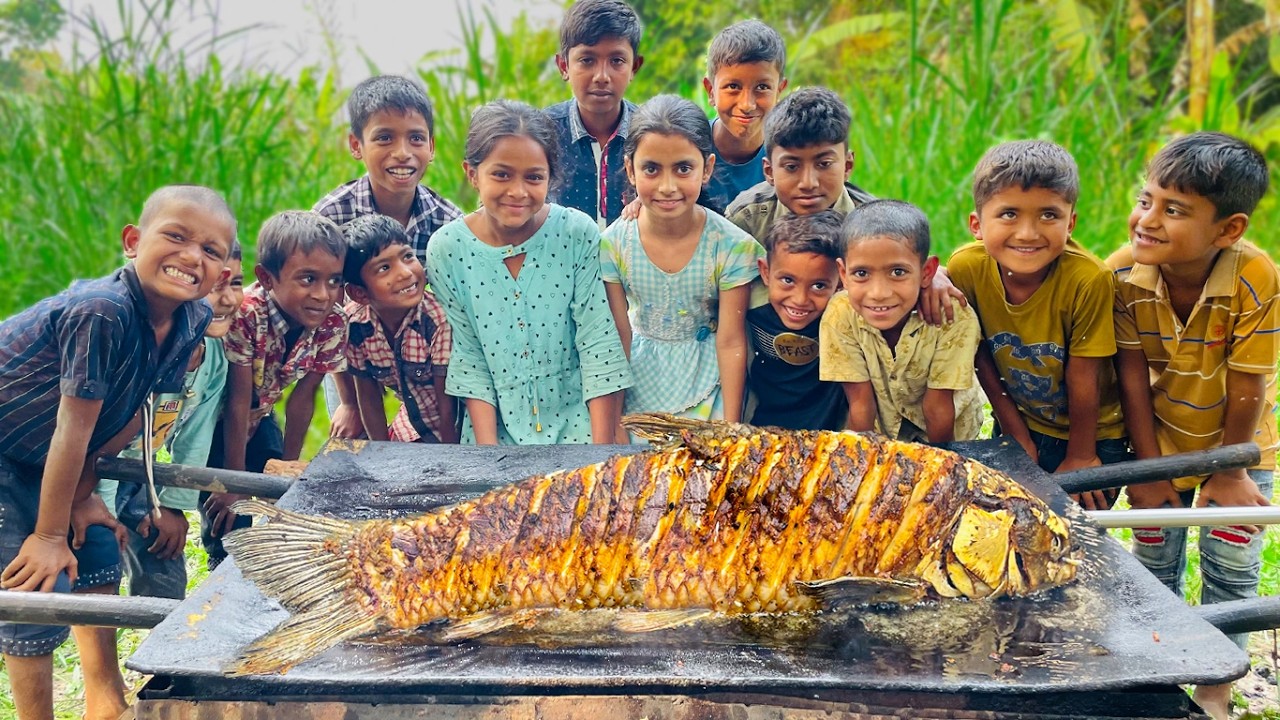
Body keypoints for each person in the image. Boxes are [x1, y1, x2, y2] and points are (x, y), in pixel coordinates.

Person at [0, 185, 234, 720]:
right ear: (133, 241)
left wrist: (82, 498)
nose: (191, 256)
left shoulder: (192, 318)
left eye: (211, 250)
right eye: (175, 236)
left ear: (221, 272)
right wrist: (48, 534)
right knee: (38, 583)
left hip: (51, 451)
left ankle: (104, 697)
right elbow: (71, 428)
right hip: (9, 447)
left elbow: (139, 408)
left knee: (99, 545)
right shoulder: (102, 311)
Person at [1108, 131, 1278, 720]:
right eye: (1146, 198)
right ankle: (1159, 677)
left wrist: (1229, 472)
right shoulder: (1125, 274)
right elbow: (1129, 374)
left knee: (1231, 570)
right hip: (1159, 441)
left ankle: (1214, 690)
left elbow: (1248, 383)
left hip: (1240, 448)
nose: (1147, 219)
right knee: (1152, 565)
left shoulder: (1255, 274)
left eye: (1174, 210)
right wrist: (1151, 470)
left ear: (1227, 229)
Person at [426, 100, 632, 444]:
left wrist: (598, 453)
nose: (518, 191)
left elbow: (597, 342)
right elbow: (470, 356)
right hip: (496, 431)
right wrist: (489, 457)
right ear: (472, 174)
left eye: (534, 177)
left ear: (551, 177)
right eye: (501, 174)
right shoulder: (448, 250)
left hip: (581, 424)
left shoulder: (575, 233)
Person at [947, 140, 1128, 507]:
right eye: (1009, 214)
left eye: (1048, 215)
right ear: (976, 224)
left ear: (1071, 222)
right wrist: (1015, 433)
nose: (1028, 233)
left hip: (1092, 434)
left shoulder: (1087, 279)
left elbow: (1085, 374)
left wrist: (1080, 456)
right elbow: (979, 353)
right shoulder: (967, 269)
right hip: (1019, 421)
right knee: (1011, 527)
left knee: (1078, 538)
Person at [314, 74, 462, 437]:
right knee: (358, 444)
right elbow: (325, 313)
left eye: (415, 138)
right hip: (355, 352)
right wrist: (349, 403)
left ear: (432, 145)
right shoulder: (330, 219)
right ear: (356, 145)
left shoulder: (448, 222)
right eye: (384, 138)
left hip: (429, 355)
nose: (402, 153)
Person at [601, 95, 762, 426]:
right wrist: (614, 423)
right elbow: (618, 337)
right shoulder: (614, 245)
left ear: (707, 169)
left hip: (711, 382)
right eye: (651, 169)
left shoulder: (730, 246)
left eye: (683, 168)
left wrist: (731, 428)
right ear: (630, 170)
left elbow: (732, 340)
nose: (667, 186)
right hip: (636, 379)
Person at [99, 241, 244, 599]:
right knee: (95, 564)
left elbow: (196, 435)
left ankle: (156, 650)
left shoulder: (213, 359)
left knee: (164, 566)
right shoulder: (141, 348)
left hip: (134, 471)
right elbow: (92, 442)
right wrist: (102, 513)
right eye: (214, 287)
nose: (226, 299)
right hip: (80, 475)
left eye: (235, 283)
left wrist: (175, 504)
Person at [203, 211, 347, 567]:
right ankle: (222, 560)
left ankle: (269, 556)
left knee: (271, 479)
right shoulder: (247, 314)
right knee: (230, 505)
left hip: (259, 414)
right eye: (308, 279)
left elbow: (302, 397)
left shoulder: (333, 321)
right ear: (267, 278)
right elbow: (236, 402)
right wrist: (232, 481)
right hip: (213, 419)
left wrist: (287, 467)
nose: (322, 294)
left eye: (334, 281)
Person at [820, 200, 984, 442]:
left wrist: (940, 468)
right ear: (843, 274)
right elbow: (861, 404)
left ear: (927, 272)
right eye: (861, 273)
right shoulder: (840, 314)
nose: (879, 293)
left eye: (897, 272)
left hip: (950, 435)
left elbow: (938, 408)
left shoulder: (953, 316)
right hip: (882, 435)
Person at [342, 214, 458, 443]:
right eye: (384, 267)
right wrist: (382, 452)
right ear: (360, 293)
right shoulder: (354, 326)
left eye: (407, 256)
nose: (405, 273)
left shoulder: (436, 321)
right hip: (412, 424)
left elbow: (449, 409)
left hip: (453, 431)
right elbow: (368, 396)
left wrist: (451, 464)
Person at [725, 86, 873, 246]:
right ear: (769, 171)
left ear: (847, 166)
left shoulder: (875, 226)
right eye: (791, 167)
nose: (808, 183)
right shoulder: (747, 221)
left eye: (824, 164)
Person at [546, 0, 644, 228]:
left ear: (634, 67)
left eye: (616, 61)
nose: (602, 76)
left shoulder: (651, 134)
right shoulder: (540, 133)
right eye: (587, 60)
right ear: (563, 66)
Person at [745, 210, 845, 430]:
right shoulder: (750, 309)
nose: (800, 300)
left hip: (825, 435)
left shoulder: (844, 318)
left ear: (840, 283)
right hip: (758, 430)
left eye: (819, 286)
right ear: (765, 272)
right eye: (788, 280)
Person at [702, 19, 789, 208]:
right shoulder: (688, 147)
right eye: (733, 86)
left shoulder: (791, 156)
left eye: (762, 87)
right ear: (711, 91)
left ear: (779, 92)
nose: (747, 104)